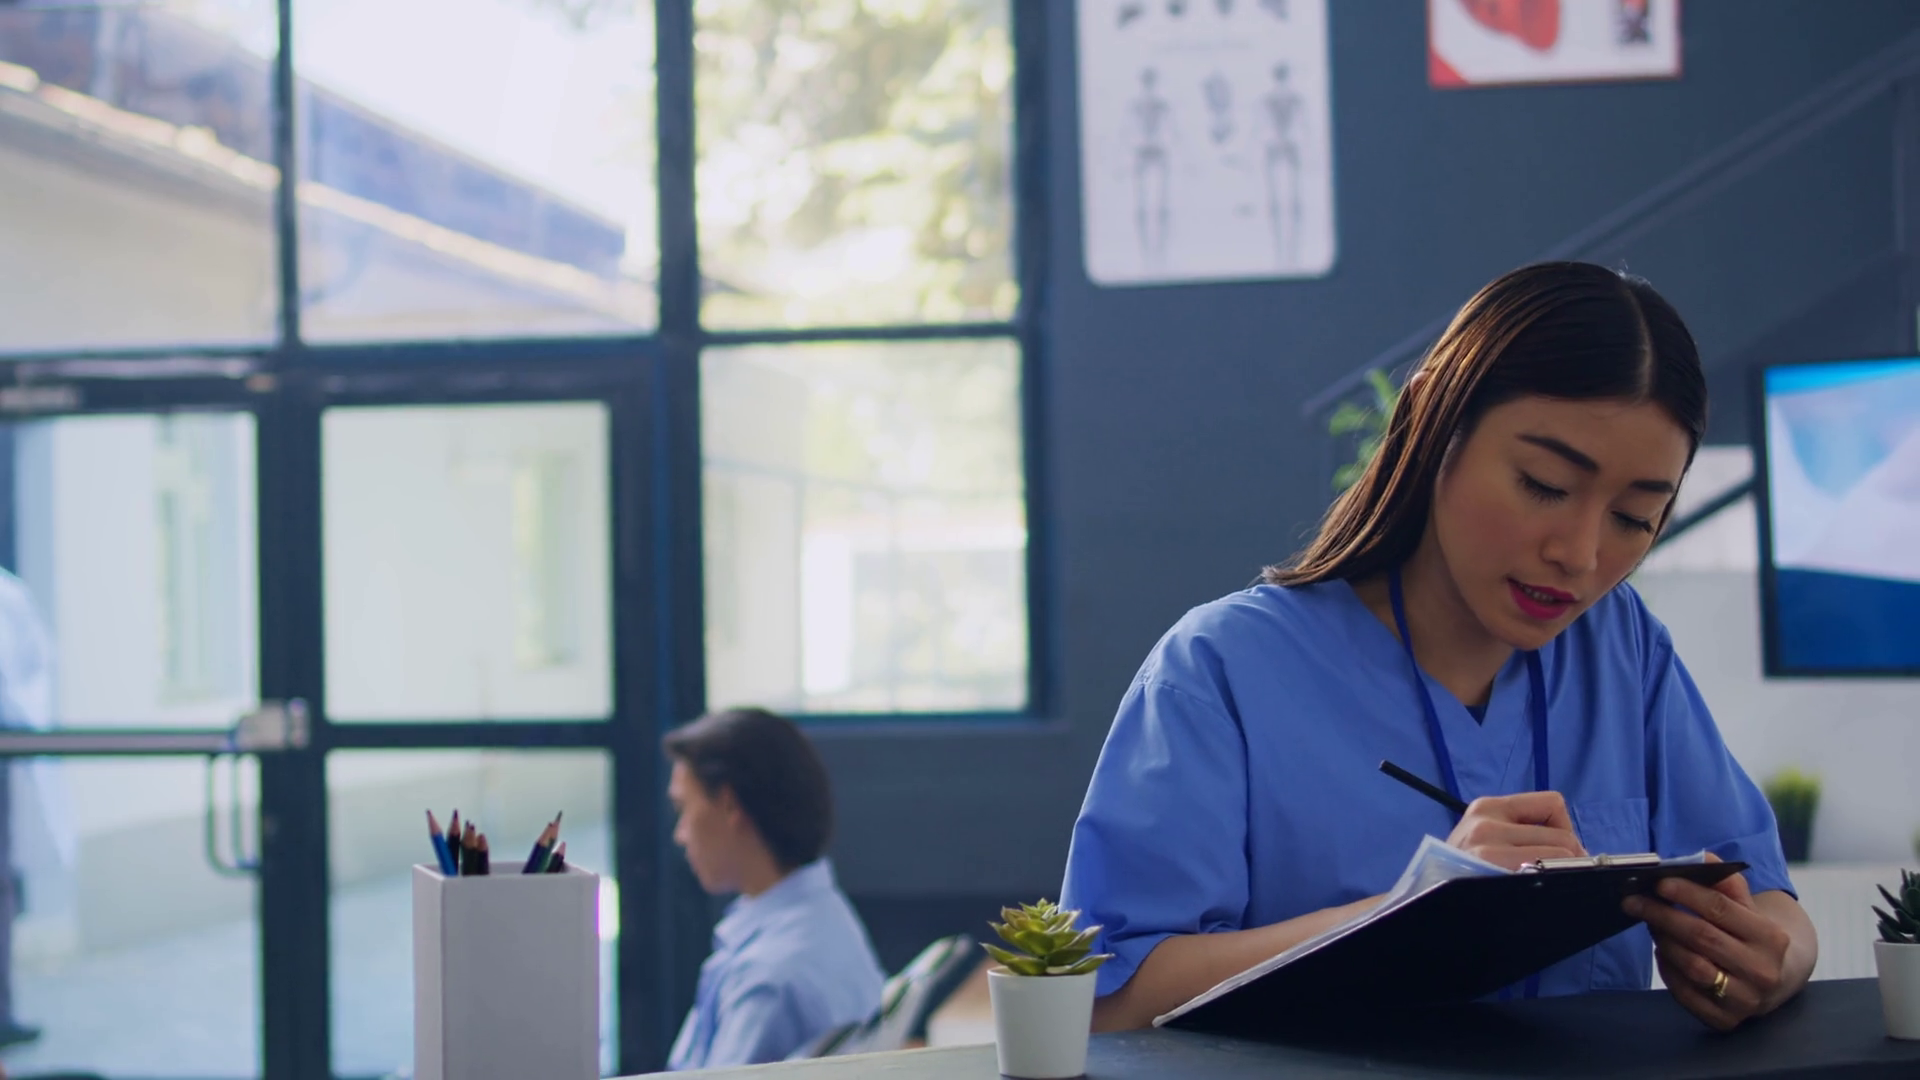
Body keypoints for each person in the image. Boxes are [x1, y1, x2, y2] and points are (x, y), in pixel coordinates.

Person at [1060, 261, 1818, 1034]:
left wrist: (1772, 963)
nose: (1581, 554)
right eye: (1545, 484)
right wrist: (1409, 911)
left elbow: (1768, 901)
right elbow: (1113, 1002)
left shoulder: (1622, 650)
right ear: (1431, 422)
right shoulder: (1220, 673)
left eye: (1634, 517)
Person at [663, 707, 884, 1070]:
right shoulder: (823, 915)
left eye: (684, 809)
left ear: (730, 805)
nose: (681, 834)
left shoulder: (768, 981)